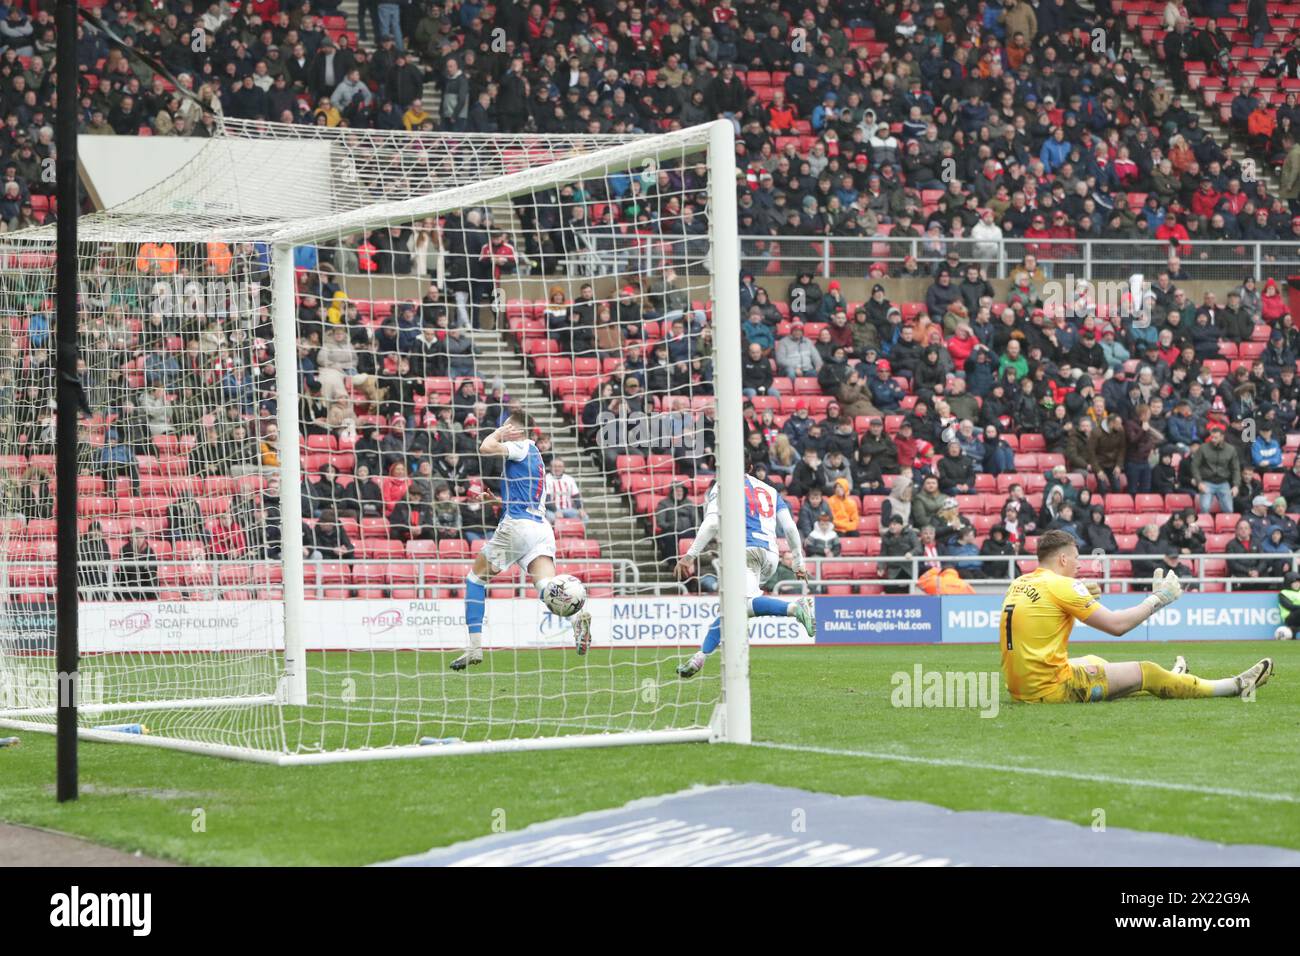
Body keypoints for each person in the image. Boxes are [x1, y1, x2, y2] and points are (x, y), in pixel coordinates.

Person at [1000, 530, 1272, 703]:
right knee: (1148, 670)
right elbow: (1117, 626)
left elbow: (1050, 608)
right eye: (1076, 559)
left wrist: (1083, 592)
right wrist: (1158, 599)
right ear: (1062, 560)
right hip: (1048, 691)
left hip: (1019, 688)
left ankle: (1173, 678)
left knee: (1095, 661)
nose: (1079, 564)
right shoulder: (1062, 586)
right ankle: (1234, 685)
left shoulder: (1021, 582)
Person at [454, 410, 592, 669]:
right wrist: (497, 500)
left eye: (506, 425)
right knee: (546, 587)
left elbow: (486, 447)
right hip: (540, 528)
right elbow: (528, 497)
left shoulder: (520, 445)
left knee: (475, 579)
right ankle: (576, 619)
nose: (503, 428)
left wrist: (498, 433)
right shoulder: (536, 457)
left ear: (515, 429)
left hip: (518, 527)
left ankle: (474, 648)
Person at [674, 469, 817, 678]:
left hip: (744, 553)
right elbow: (789, 527)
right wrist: (798, 562)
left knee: (741, 605)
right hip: (771, 556)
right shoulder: (770, 490)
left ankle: (795, 608)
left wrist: (690, 555)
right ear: (751, 468)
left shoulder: (724, 485)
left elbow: (713, 523)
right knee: (733, 610)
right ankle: (700, 657)